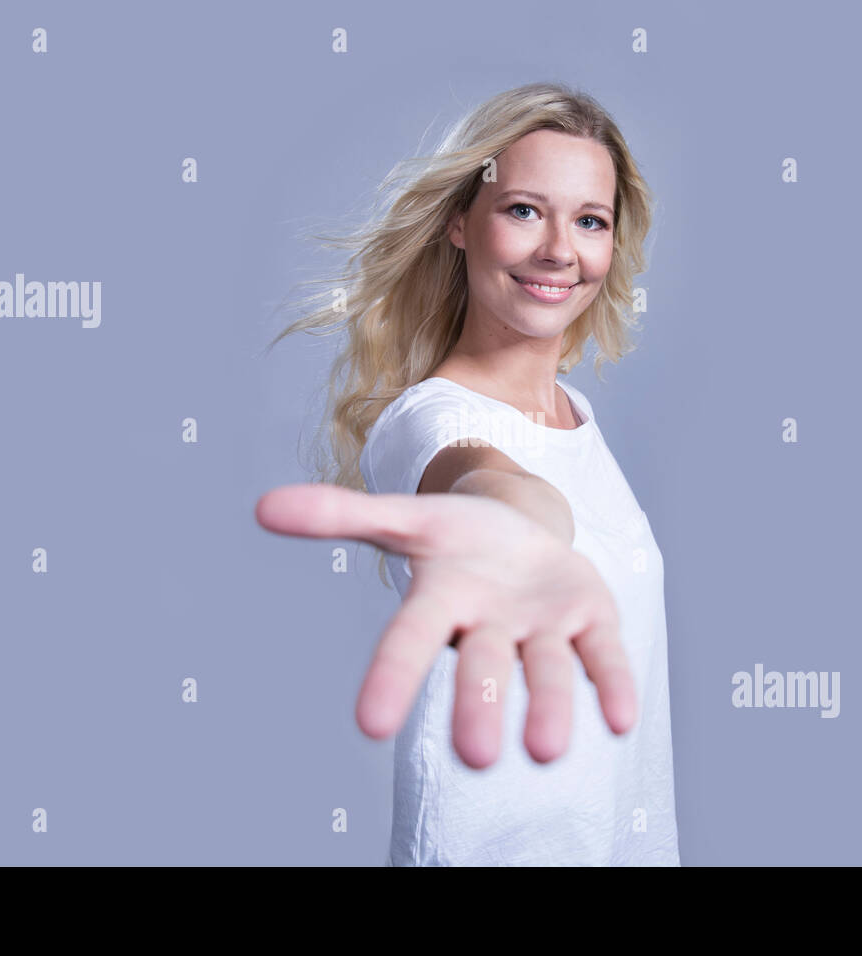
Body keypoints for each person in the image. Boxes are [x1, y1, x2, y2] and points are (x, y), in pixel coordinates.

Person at [255, 82, 679, 866]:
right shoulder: (432, 420)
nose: (560, 249)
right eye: (523, 210)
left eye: (590, 221)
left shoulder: (576, 416)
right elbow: (489, 484)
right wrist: (512, 528)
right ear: (460, 221)